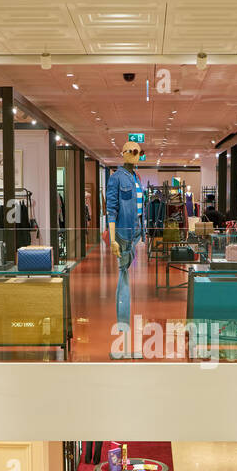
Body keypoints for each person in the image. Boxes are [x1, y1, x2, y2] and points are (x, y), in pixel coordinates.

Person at [104, 140, 145, 335]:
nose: (136, 155)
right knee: (124, 275)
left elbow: (139, 208)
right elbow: (111, 210)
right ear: (123, 153)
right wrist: (112, 239)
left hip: (135, 232)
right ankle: (123, 323)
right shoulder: (116, 178)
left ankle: (124, 322)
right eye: (133, 151)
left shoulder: (136, 177)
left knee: (125, 273)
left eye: (139, 152)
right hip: (123, 233)